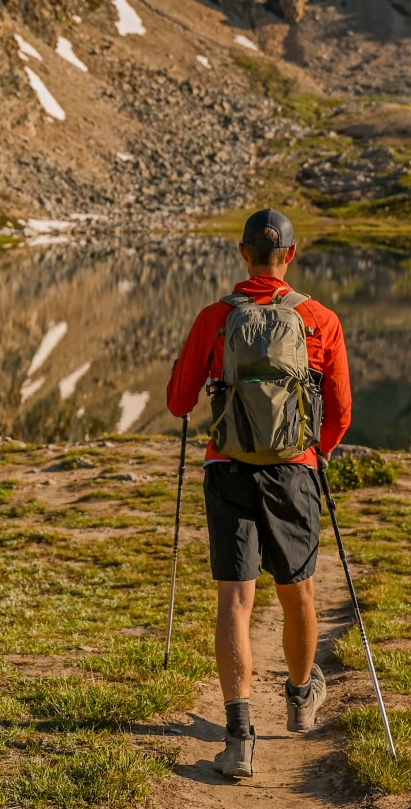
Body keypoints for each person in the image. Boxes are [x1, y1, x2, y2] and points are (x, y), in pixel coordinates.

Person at [165, 207, 352, 780]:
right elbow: (340, 413)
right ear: (290, 257)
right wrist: (313, 452)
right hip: (293, 470)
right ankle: (299, 698)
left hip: (228, 469)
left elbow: (177, 402)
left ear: (243, 253)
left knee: (236, 600)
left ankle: (240, 738)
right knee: (298, 592)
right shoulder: (320, 320)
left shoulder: (215, 319)